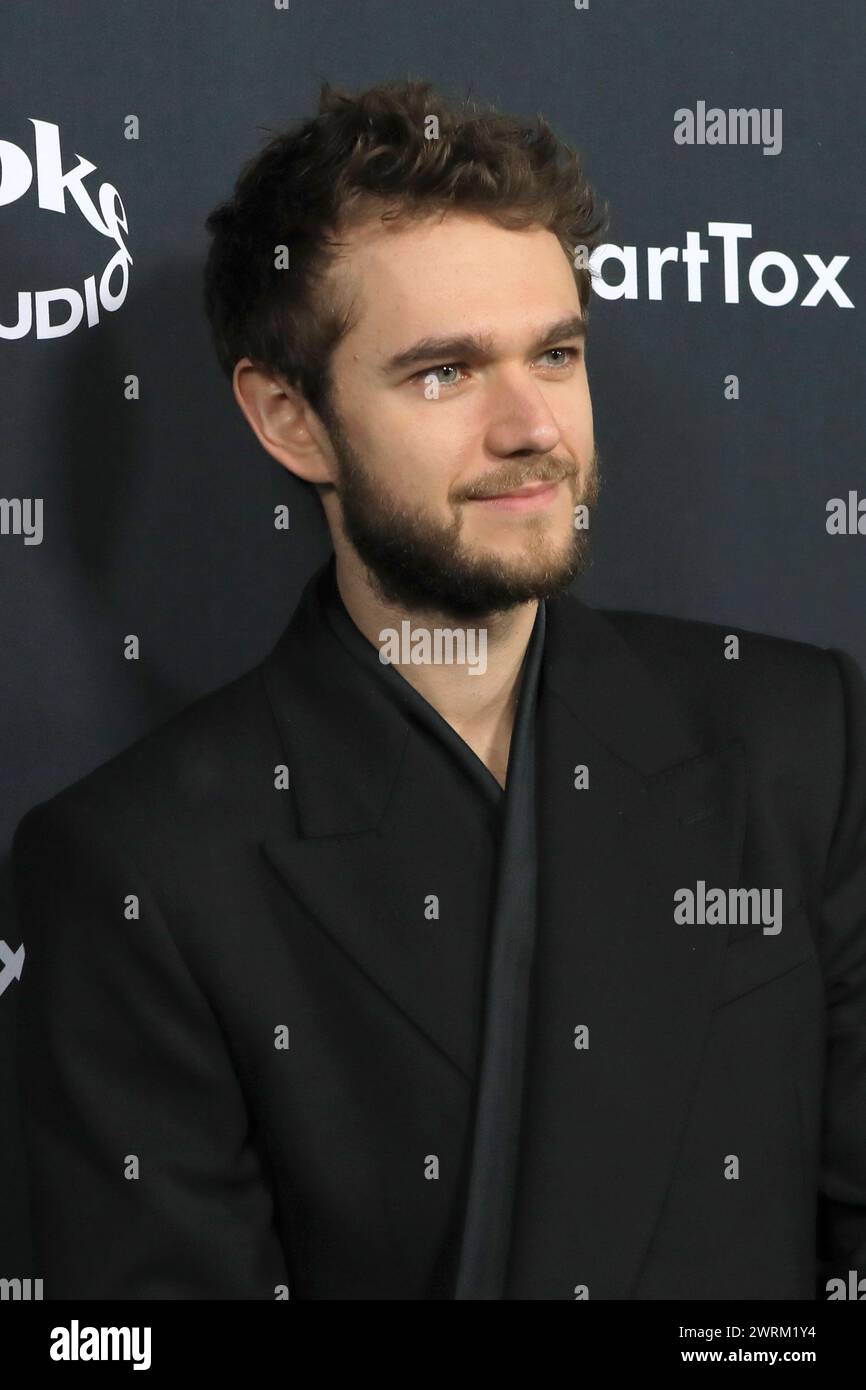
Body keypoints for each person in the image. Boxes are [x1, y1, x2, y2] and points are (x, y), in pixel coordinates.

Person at [12, 78, 866, 1300]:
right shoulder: (135, 867)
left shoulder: (795, 740)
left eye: (555, 355)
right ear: (289, 419)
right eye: (442, 374)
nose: (532, 427)